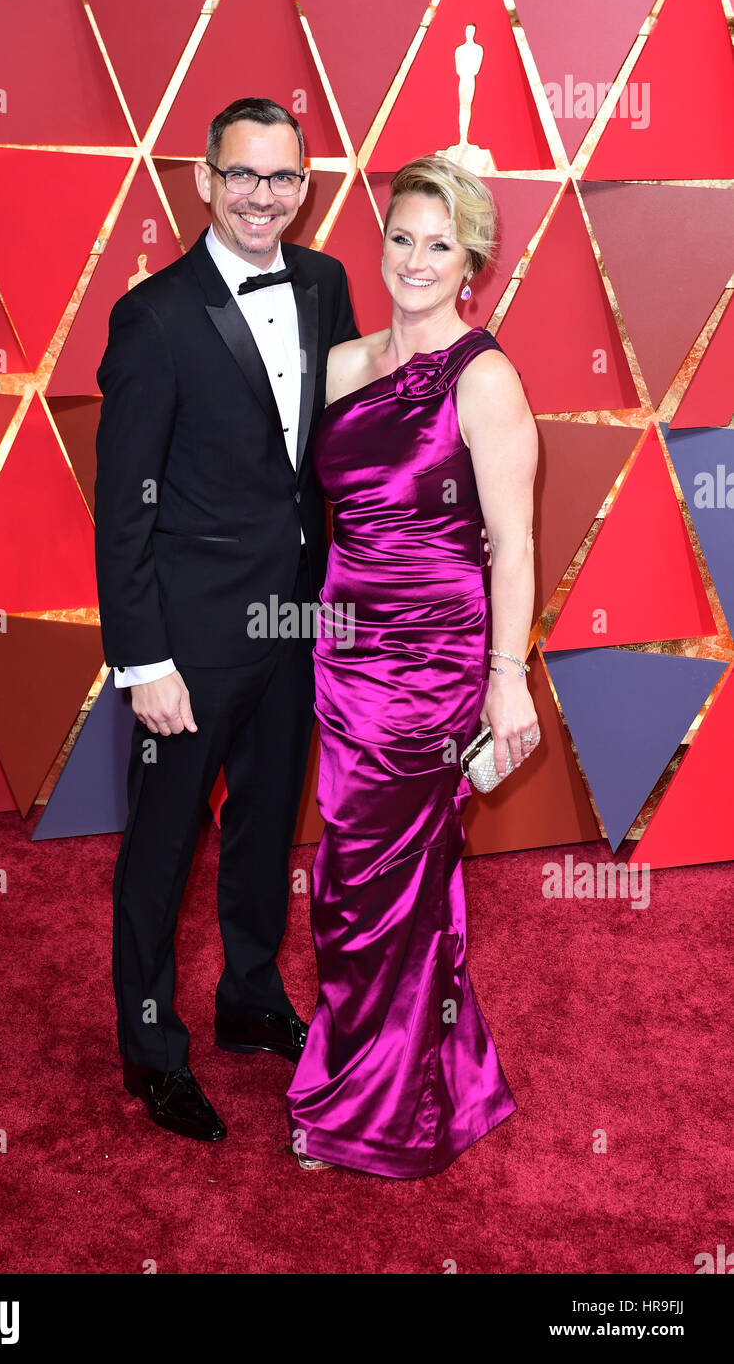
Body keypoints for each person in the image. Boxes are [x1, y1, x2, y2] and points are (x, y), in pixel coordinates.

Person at [93, 98, 359, 1142]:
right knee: (160, 851)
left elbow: (332, 448)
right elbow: (122, 510)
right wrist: (143, 659)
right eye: (241, 175)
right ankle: (151, 1050)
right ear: (203, 179)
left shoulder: (326, 282)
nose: (261, 197)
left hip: (294, 621)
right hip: (189, 642)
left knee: (262, 830)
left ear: (305, 184)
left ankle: (249, 997)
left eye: (281, 178)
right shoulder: (153, 316)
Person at [286, 154, 539, 1177]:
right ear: (380, 239)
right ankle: (431, 1066)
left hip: (431, 661)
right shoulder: (345, 364)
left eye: (440, 245)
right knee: (351, 876)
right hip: (344, 652)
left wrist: (505, 674)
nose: (415, 259)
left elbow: (511, 543)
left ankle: (376, 1107)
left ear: (469, 262)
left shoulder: (483, 376)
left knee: (376, 883)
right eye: (402, 237)